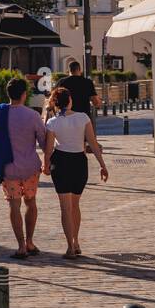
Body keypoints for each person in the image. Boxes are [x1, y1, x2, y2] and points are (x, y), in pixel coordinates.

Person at [0, 77, 47, 260]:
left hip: (9, 168)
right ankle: (30, 242)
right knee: (31, 203)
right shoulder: (33, 116)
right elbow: (43, 142)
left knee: (14, 206)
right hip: (30, 168)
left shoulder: (0, 113)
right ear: (24, 94)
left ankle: (20, 246)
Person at [44, 86, 109, 259]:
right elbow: (93, 144)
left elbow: (49, 149)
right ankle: (76, 241)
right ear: (70, 100)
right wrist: (102, 165)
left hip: (61, 162)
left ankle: (70, 246)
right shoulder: (83, 118)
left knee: (65, 207)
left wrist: (45, 165)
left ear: (55, 103)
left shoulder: (52, 122)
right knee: (75, 205)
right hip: (79, 163)